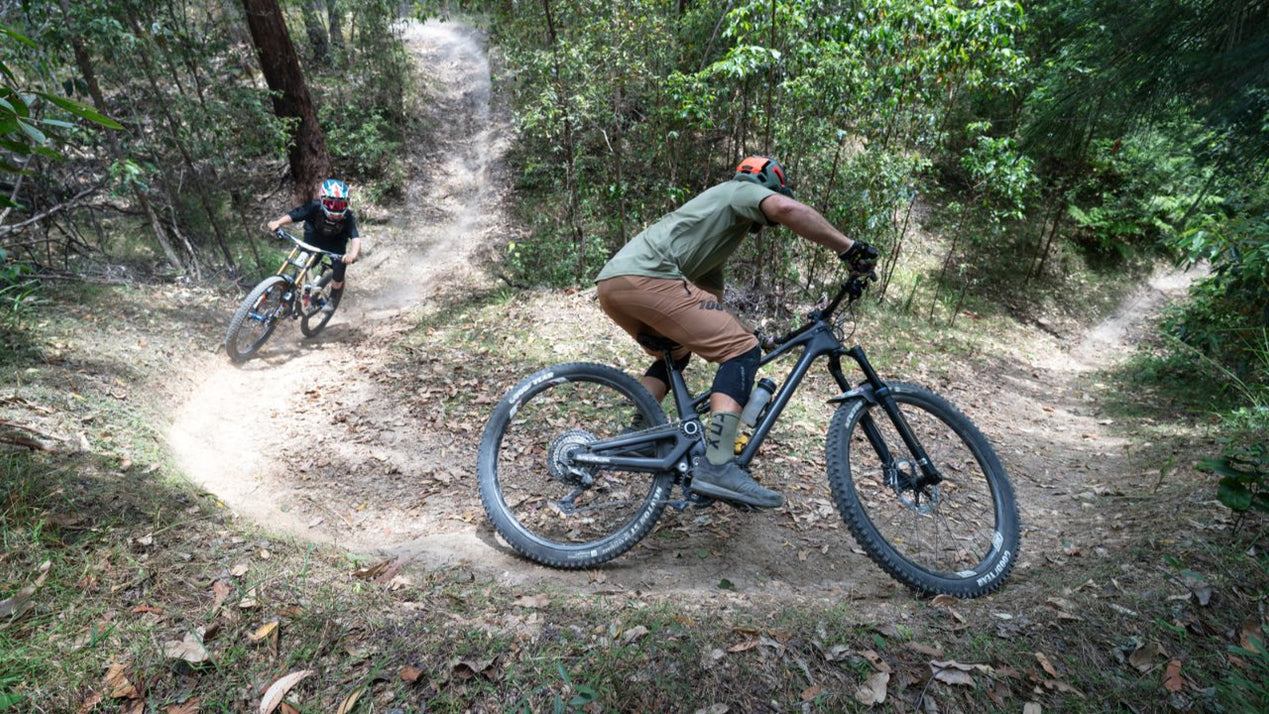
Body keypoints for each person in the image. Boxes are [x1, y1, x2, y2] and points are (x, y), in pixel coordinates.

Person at [594, 156, 878, 508]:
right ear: (767, 185)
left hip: (615, 284)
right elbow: (786, 209)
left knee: (681, 351)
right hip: (650, 277)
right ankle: (717, 465)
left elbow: (709, 304)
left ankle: (637, 432)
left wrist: (751, 332)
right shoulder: (740, 191)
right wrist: (848, 248)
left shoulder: (714, 231)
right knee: (741, 352)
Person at [266, 178, 362, 314]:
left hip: (336, 244)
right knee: (302, 266)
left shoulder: (347, 217)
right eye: (331, 204)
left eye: (339, 206)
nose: (335, 210)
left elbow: (355, 237)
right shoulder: (314, 207)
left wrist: (352, 254)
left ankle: (333, 298)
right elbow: (295, 215)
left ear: (346, 204)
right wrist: (278, 222)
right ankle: (290, 299)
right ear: (322, 200)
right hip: (313, 240)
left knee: (339, 267)